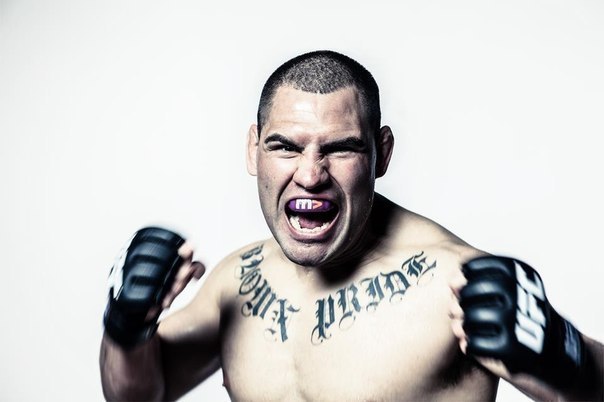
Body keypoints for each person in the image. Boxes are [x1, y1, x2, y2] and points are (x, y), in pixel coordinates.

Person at [100, 50, 603, 401]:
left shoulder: (451, 282)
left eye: (341, 148)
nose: (310, 175)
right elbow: (140, 393)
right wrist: (125, 328)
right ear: (253, 150)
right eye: (285, 146)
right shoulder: (238, 281)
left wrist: (565, 355)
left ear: (381, 154)